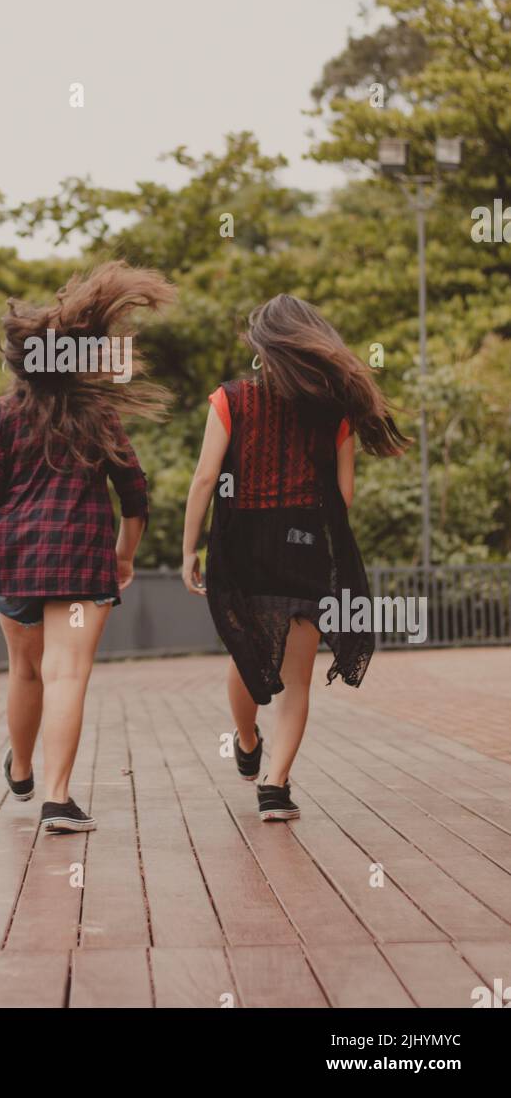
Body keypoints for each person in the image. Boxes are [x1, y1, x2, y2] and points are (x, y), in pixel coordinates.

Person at [0, 261, 174, 833]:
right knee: (66, 677)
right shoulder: (100, 414)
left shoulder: (1, 414)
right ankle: (57, 799)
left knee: (24, 671)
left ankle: (22, 768)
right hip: (81, 563)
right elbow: (135, 495)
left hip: (16, 563)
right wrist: (124, 555)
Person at [181, 294, 408, 822]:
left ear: (263, 346)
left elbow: (206, 478)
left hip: (243, 546)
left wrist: (190, 548)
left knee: (245, 655)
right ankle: (275, 787)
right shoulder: (335, 412)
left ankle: (247, 741)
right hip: (306, 547)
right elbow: (344, 496)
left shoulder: (230, 399)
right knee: (297, 679)